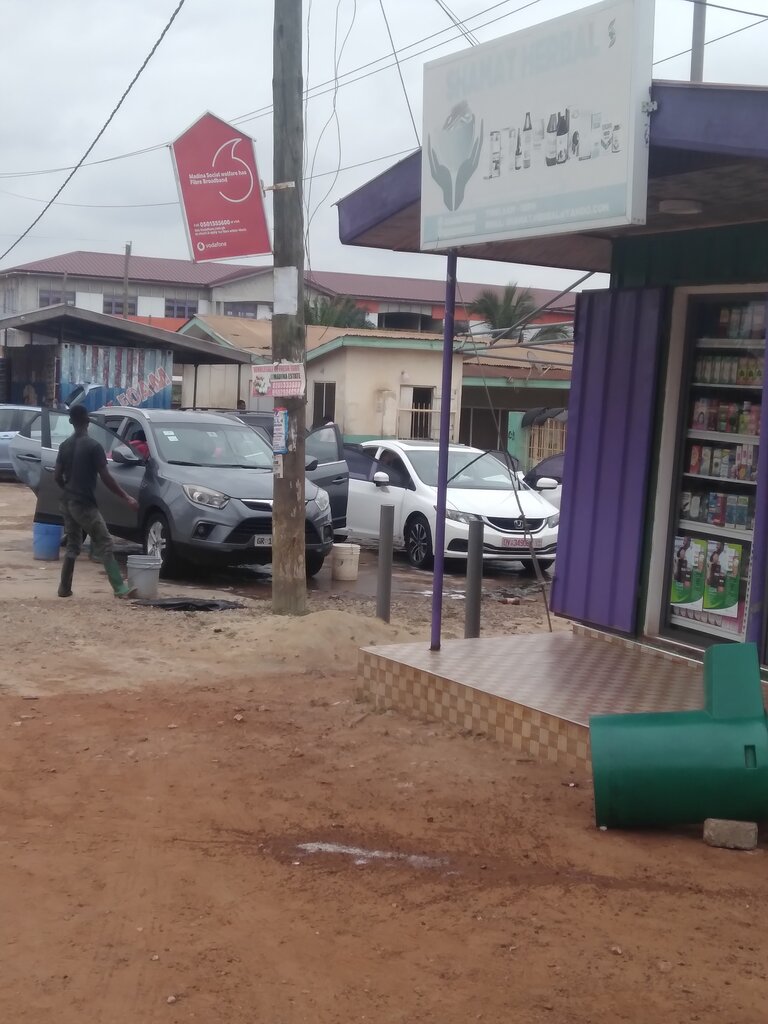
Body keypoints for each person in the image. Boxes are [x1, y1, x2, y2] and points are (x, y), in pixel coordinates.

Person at [54, 405, 139, 599]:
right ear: (88, 421)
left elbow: (57, 476)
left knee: (73, 546)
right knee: (106, 542)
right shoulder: (94, 446)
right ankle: (120, 588)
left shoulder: (64, 445)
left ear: (70, 421)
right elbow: (106, 477)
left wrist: (68, 488)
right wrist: (126, 497)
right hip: (84, 504)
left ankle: (64, 588)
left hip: (67, 502)